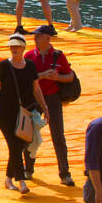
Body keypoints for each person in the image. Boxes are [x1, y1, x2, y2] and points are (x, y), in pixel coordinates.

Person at [0, 33, 49, 194]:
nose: (14, 49)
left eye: (17, 46)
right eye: (11, 46)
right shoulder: (3, 66)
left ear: (23, 48)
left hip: (24, 113)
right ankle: (21, 182)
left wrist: (45, 108)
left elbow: (36, 89)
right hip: (4, 114)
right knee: (14, 146)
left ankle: (8, 178)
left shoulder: (30, 66)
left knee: (19, 146)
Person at [25, 24, 76, 186]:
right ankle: (28, 169)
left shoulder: (58, 56)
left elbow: (70, 76)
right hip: (34, 98)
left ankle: (65, 173)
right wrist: (42, 75)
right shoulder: (28, 56)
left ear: (47, 39)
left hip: (52, 98)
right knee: (29, 134)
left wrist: (57, 78)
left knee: (58, 136)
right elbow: (25, 78)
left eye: (37, 36)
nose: (34, 38)